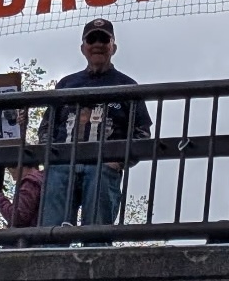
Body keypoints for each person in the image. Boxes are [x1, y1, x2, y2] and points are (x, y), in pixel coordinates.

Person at [38, 19, 151, 243]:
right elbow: (47, 128)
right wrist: (51, 159)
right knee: (50, 235)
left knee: (97, 236)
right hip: (62, 166)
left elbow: (142, 134)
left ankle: (95, 271)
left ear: (113, 47)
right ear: (83, 48)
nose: (97, 44)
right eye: (92, 39)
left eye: (104, 39)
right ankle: (51, 271)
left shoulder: (127, 86)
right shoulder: (66, 84)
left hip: (103, 167)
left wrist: (117, 162)